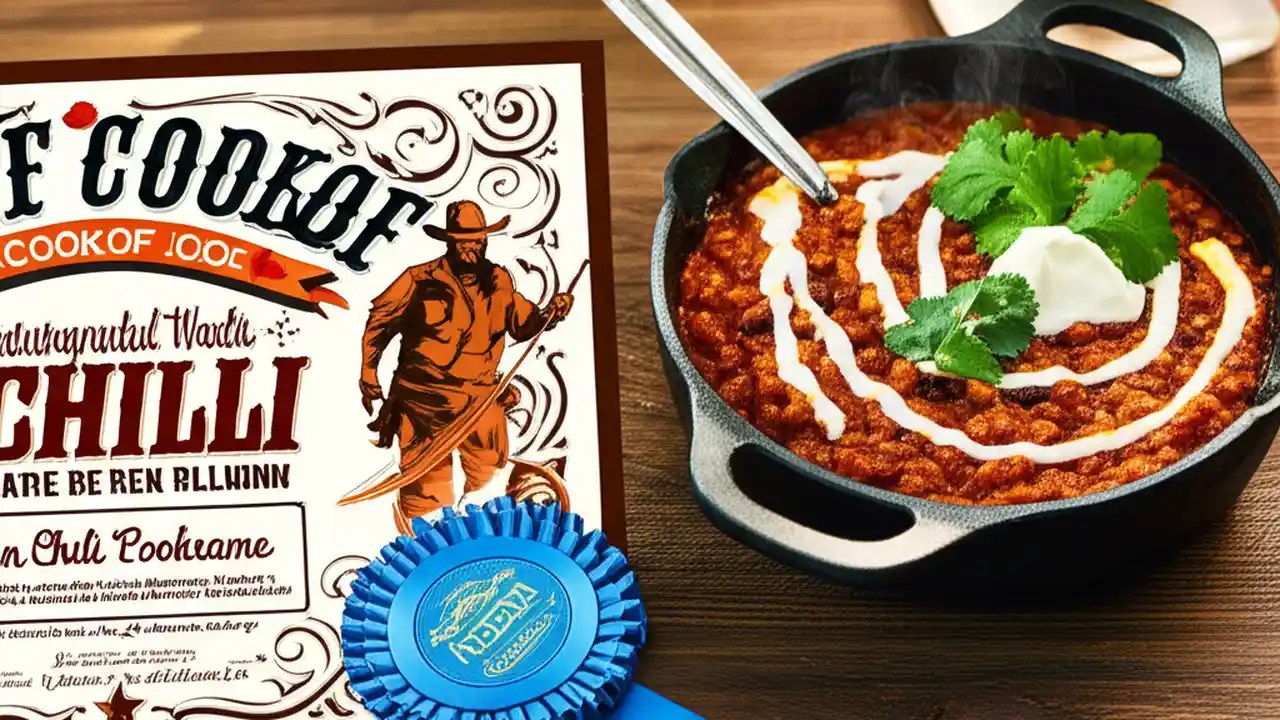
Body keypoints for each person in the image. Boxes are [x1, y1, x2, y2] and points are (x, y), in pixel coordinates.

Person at [359, 199, 573, 526]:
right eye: (462, 240)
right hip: (423, 402)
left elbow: (524, 324)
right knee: (426, 492)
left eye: (476, 239)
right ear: (449, 241)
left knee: (490, 478)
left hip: (481, 399)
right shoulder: (419, 280)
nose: (470, 247)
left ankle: (489, 539)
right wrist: (368, 372)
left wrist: (551, 313)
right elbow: (379, 322)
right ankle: (425, 546)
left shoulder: (500, 281)